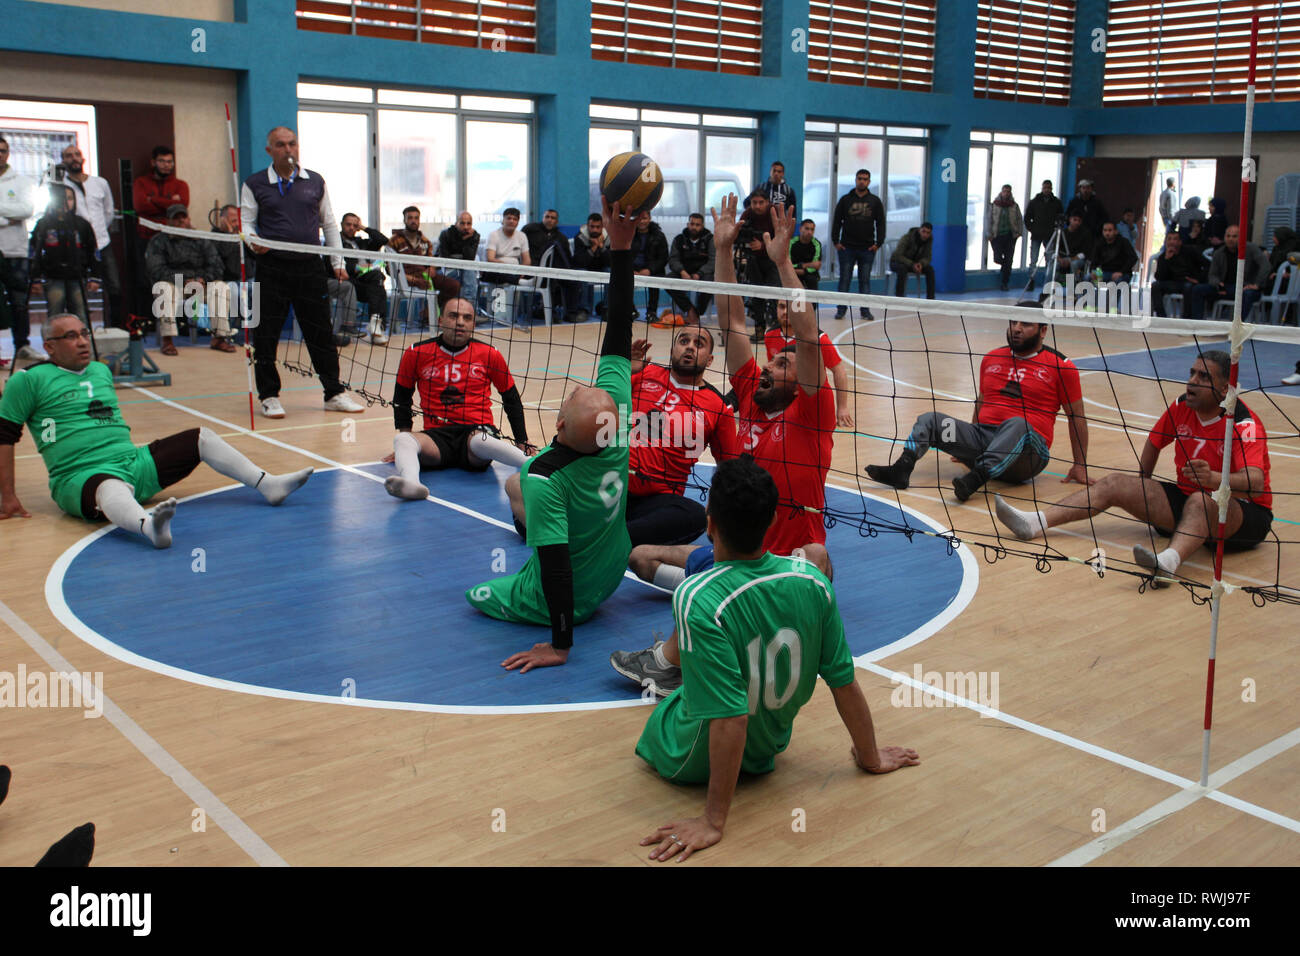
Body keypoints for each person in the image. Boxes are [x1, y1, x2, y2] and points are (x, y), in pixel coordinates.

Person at [631, 456, 919, 863]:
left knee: (678, 701)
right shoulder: (814, 582)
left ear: (710, 523)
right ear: (770, 523)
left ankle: (664, 664)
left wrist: (713, 821)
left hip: (688, 757)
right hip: (767, 749)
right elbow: (843, 681)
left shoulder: (695, 595)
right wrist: (870, 757)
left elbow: (731, 719)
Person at [616, 198, 837, 693]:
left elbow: (806, 337)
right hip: (737, 552)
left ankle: (677, 654)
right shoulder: (751, 400)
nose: (766, 367)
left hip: (785, 562)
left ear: (798, 378)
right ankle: (716, 608)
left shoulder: (811, 412)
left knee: (817, 555)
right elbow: (733, 322)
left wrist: (782, 264)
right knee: (641, 558)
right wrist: (723, 251)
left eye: (779, 365)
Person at [464, 198, 637, 673]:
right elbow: (619, 325)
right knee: (513, 485)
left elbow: (558, 568)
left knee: (472, 595)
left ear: (560, 426)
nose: (578, 389)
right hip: (612, 572)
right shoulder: (615, 420)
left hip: (575, 599)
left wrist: (560, 643)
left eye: (569, 399)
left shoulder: (545, 475)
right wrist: (622, 249)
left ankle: (532, 589)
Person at [0, 313, 313, 542]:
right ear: (49, 347)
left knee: (201, 436)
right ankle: (149, 527)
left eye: (84, 332)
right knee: (110, 487)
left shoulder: (99, 370)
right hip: (78, 478)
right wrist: (8, 495)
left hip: (134, 463)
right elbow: (4, 436)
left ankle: (267, 485)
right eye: (71, 336)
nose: (82, 341)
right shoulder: (27, 381)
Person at [995, 351, 1272, 587]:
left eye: (1203, 377)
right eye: (1192, 373)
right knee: (1115, 482)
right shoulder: (1181, 406)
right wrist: (1144, 485)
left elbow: (1255, 482)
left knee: (1203, 499)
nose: (1192, 382)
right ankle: (1034, 523)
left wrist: (1213, 478)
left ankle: (1168, 562)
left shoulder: (1242, 423)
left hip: (1244, 516)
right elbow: (1153, 443)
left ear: (1225, 389)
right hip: (1190, 505)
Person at [865, 320, 1091, 502]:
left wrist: (1080, 465)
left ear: (1043, 331)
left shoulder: (1062, 366)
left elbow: (1077, 417)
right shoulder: (992, 357)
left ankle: (975, 479)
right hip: (983, 440)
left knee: (1017, 424)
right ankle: (901, 470)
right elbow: (981, 401)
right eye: (1013, 323)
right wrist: (965, 443)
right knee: (932, 420)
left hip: (1027, 456)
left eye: (1026, 324)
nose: (1017, 329)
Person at [240, 125, 364, 418]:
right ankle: (269, 395)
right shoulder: (255, 184)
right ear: (269, 150)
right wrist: (252, 240)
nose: (288, 149)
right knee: (266, 333)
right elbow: (246, 223)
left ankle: (333, 393)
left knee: (320, 332)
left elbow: (330, 224)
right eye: (280, 145)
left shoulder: (315, 182)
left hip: (310, 267)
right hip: (271, 267)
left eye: (292, 144)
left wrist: (337, 263)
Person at [383, 296, 535, 500]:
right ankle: (411, 484)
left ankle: (532, 465)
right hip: (436, 438)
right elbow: (402, 396)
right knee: (402, 440)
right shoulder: (416, 353)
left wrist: (521, 440)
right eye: (453, 316)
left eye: (467, 317)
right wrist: (408, 442)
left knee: (481, 441)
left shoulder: (489, 354)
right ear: (440, 320)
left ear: (473, 323)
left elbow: (511, 398)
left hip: (476, 433)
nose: (460, 322)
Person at [623, 325, 739, 548]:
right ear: (673, 349)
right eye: (684, 341)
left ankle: (612, 538)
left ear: (710, 359)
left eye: (699, 344)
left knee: (695, 517)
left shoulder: (718, 407)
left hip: (657, 502)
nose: (690, 348)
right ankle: (622, 536)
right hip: (613, 483)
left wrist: (719, 508)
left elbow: (729, 469)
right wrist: (625, 371)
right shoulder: (644, 373)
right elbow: (597, 410)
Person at [145, 204, 230, 355]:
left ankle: (219, 338)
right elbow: (156, 270)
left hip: (200, 284)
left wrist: (202, 279)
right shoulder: (158, 241)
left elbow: (217, 266)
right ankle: (167, 340)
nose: (180, 221)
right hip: (174, 285)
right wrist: (183, 280)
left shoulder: (202, 239)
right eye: (176, 218)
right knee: (163, 288)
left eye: (183, 217)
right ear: (168, 222)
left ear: (189, 219)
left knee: (221, 287)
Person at [763, 299, 855, 428]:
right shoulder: (770, 335)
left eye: (790, 308)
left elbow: (838, 370)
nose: (785, 312)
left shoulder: (817, 339)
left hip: (814, 400)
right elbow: (773, 371)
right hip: (786, 400)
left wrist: (842, 408)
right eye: (781, 307)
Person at [60, 144, 121, 330]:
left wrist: (97, 231)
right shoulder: (61, 185)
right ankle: (80, 331)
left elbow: (108, 211)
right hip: (76, 246)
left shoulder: (99, 182)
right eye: (69, 156)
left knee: (115, 288)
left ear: (83, 158)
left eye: (77, 154)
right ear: (63, 161)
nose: (74, 158)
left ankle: (114, 329)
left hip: (102, 243)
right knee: (76, 292)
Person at [28, 185, 99, 324]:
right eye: (61, 199)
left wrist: (95, 277)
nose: (66, 203)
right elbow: (34, 252)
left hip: (77, 276)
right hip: (54, 276)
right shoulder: (44, 224)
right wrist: (35, 278)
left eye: (70, 199)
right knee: (55, 314)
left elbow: (92, 251)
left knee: (80, 313)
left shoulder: (81, 224)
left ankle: (82, 342)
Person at [0, 134, 42, 366]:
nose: (0, 154)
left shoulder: (22, 181)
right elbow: (15, 212)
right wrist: (7, 217)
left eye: (3, 150)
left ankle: (22, 346)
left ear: (8, 153)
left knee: (18, 302)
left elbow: (26, 209)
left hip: (15, 252)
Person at [831, 169, 885, 320]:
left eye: (865, 179)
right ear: (856, 180)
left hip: (867, 249)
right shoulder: (845, 200)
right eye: (860, 178)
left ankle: (865, 311)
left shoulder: (875, 201)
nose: (862, 181)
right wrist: (836, 241)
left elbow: (880, 223)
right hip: (847, 247)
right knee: (844, 280)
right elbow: (836, 221)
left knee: (865, 281)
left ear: (869, 182)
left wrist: (878, 244)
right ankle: (841, 310)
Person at [1186, 225, 1270, 321]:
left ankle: (1237, 326)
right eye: (1228, 236)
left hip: (1245, 287)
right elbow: (1212, 274)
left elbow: (1265, 266)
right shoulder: (1219, 253)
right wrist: (1217, 283)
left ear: (1241, 237)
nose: (1231, 239)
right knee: (1198, 289)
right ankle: (1197, 324)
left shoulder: (1251, 249)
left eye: (1234, 236)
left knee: (1248, 294)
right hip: (1225, 287)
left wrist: (1257, 284)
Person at [388, 205, 460, 312]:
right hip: (405, 279)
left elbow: (431, 261)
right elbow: (389, 269)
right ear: (404, 220)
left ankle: (430, 314)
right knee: (424, 285)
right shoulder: (394, 241)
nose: (413, 221)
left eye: (416, 218)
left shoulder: (425, 241)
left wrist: (432, 268)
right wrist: (415, 280)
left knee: (454, 285)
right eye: (410, 218)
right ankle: (429, 315)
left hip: (424, 277)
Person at [338, 212, 389, 344]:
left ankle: (375, 321)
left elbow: (382, 240)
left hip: (365, 281)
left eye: (354, 225)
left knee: (377, 281)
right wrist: (356, 267)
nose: (351, 228)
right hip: (348, 280)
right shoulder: (336, 241)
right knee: (378, 282)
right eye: (348, 224)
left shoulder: (361, 242)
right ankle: (377, 323)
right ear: (342, 225)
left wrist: (364, 228)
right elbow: (330, 263)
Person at [132, 145, 188, 243]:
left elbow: (181, 207)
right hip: (147, 235)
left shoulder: (181, 185)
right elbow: (141, 207)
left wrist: (153, 200)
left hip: (173, 235)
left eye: (169, 162)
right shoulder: (140, 182)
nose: (166, 165)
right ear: (153, 162)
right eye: (162, 161)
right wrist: (171, 201)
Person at [666, 212, 715, 323]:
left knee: (710, 282)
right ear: (688, 224)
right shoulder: (679, 239)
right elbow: (673, 259)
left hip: (703, 273)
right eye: (692, 224)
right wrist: (682, 271)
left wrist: (700, 273)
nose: (694, 227)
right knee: (668, 280)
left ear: (702, 226)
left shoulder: (710, 239)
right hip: (684, 271)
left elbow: (713, 261)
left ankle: (697, 314)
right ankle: (690, 309)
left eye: (697, 225)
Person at [436, 211, 481, 314]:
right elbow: (445, 258)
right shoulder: (446, 234)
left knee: (468, 269)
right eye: (462, 223)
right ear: (456, 223)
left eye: (468, 223)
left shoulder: (474, 236)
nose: (465, 227)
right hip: (445, 272)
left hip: (465, 272)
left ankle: (467, 311)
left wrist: (467, 240)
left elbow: (469, 258)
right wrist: (464, 241)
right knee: (468, 271)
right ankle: (470, 311)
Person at [1023, 180, 1064, 291]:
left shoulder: (1056, 202)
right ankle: (1031, 281)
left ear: (1051, 189)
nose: (1047, 190)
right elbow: (1027, 218)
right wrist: (1032, 229)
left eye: (1049, 188)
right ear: (1042, 188)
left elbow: (1061, 216)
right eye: (1045, 187)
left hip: (1050, 235)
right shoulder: (1034, 202)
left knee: (1050, 260)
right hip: (1036, 235)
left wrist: (1056, 228)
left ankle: (1048, 283)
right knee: (1033, 260)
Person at [1150, 231, 1202, 317]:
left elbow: (1205, 265)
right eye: (1169, 239)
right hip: (1171, 283)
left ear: (1180, 242)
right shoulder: (1163, 257)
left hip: (1187, 281)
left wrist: (1198, 279)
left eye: (1175, 239)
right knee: (1155, 285)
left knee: (1188, 287)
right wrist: (1166, 260)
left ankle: (1186, 317)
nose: (1171, 242)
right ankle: (1161, 317)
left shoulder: (1190, 252)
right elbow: (1159, 277)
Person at [630, 209, 669, 322]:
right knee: (624, 278)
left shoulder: (659, 236)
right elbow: (624, 254)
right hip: (633, 269)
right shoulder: (629, 234)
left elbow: (663, 258)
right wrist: (630, 270)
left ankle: (651, 312)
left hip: (652, 269)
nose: (642, 221)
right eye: (639, 218)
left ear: (649, 219)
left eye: (645, 218)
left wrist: (649, 270)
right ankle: (631, 310)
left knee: (655, 279)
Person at [571, 212, 610, 320]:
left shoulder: (608, 238)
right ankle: (584, 309)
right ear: (587, 226)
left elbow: (610, 262)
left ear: (602, 227)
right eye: (592, 227)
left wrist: (601, 247)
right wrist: (593, 247)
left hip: (601, 268)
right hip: (586, 268)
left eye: (598, 227)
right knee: (582, 272)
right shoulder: (580, 237)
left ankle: (607, 309)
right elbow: (580, 262)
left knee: (610, 272)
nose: (595, 230)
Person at [986, 185, 1024, 291]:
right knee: (997, 258)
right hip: (996, 236)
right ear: (1001, 192)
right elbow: (989, 219)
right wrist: (989, 233)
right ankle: (1005, 266)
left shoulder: (1014, 206)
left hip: (1010, 236)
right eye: (1004, 191)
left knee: (1009, 259)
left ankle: (1004, 283)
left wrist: (1019, 232)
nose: (1006, 193)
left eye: (1008, 191)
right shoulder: (994, 205)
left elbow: (1019, 219)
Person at [890, 222, 935, 299]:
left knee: (930, 270)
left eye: (928, 233)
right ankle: (899, 298)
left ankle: (930, 299)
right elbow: (898, 255)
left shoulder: (929, 240)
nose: (925, 235)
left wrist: (921, 264)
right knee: (902, 269)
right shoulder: (907, 237)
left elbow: (928, 257)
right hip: (897, 262)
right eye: (923, 231)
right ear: (919, 230)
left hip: (914, 264)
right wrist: (912, 264)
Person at [1055, 213, 1092, 283]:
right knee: (1053, 264)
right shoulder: (1062, 233)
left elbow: (1085, 253)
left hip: (1077, 259)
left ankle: (1072, 290)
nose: (1077, 222)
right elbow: (1056, 249)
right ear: (1070, 220)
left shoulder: (1085, 233)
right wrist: (1059, 259)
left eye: (1079, 221)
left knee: (1074, 264)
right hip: (1063, 259)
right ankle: (1047, 289)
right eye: (1075, 220)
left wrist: (1070, 260)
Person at [789, 218, 822, 292]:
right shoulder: (791, 243)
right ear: (800, 229)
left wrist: (799, 268)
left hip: (809, 274)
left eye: (812, 229)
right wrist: (806, 265)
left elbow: (816, 266)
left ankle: (813, 303)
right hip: (793, 273)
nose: (809, 232)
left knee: (812, 280)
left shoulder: (817, 244)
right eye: (807, 229)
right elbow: (788, 265)